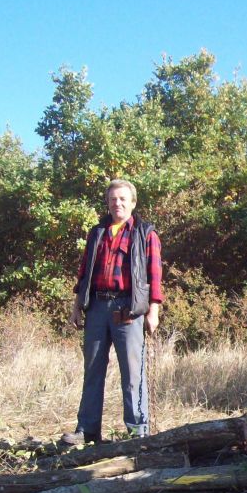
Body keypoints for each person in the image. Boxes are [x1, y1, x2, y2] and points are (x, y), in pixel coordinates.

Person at [62, 179, 163, 445]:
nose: (117, 203)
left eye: (122, 199)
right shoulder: (97, 232)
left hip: (128, 309)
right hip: (96, 307)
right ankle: (87, 430)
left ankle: (137, 433)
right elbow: (84, 273)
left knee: (132, 373)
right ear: (107, 203)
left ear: (133, 202)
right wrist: (77, 308)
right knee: (93, 370)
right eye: (112, 199)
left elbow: (154, 275)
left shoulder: (145, 233)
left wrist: (153, 311)